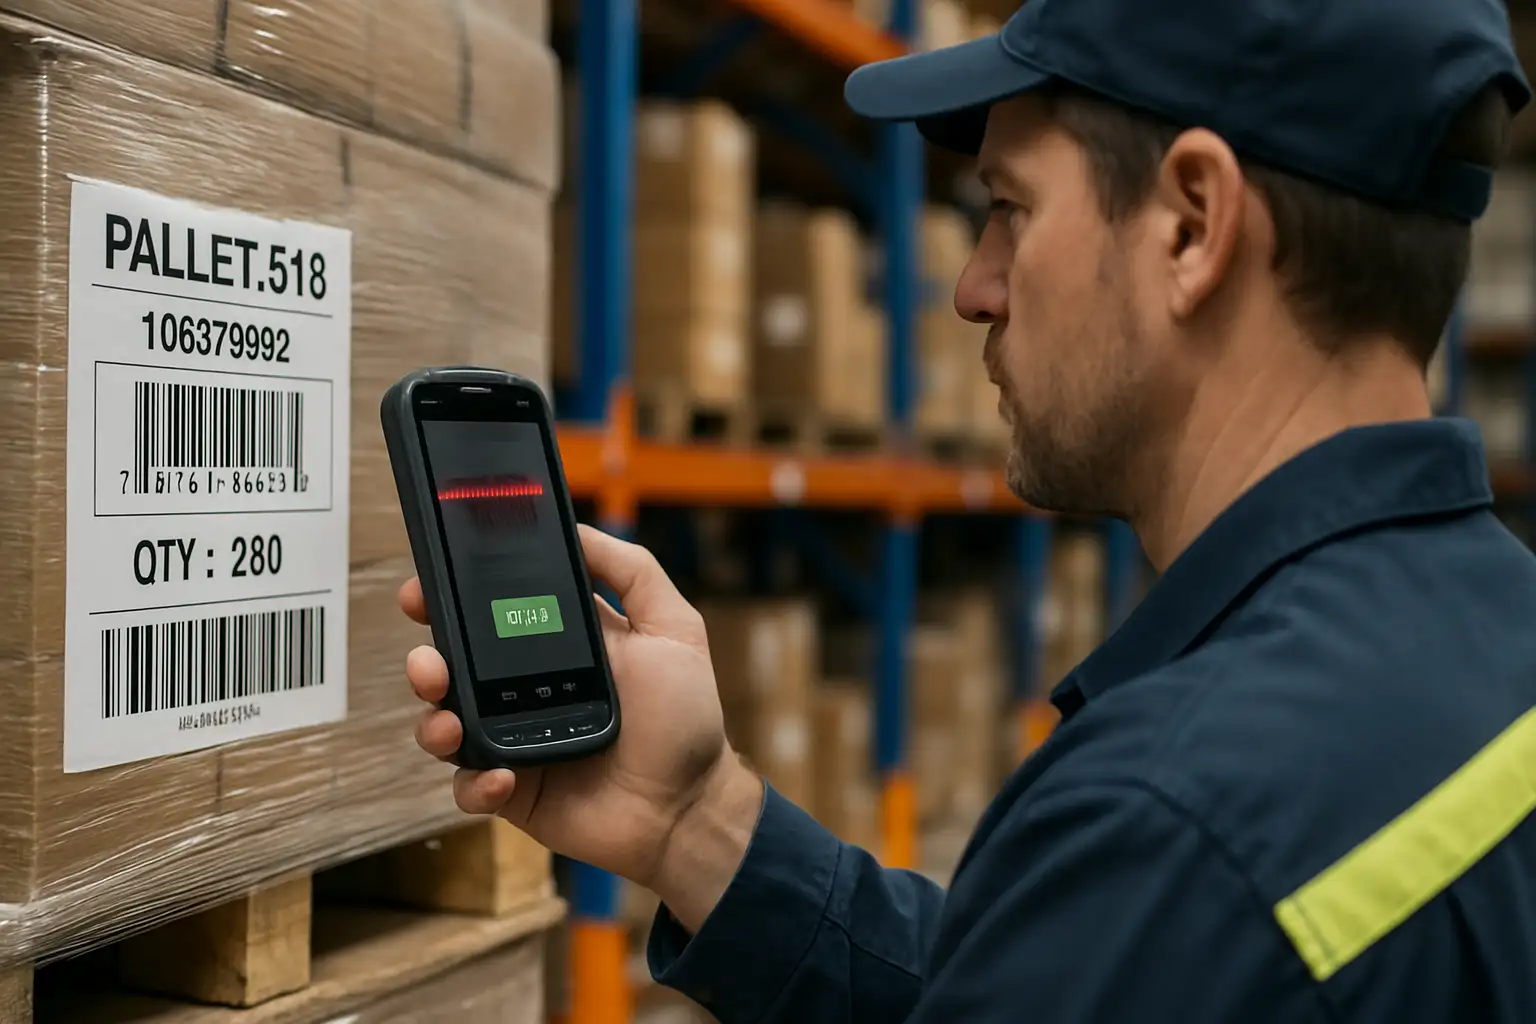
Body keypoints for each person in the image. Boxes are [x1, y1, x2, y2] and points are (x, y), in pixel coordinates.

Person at [399, 0, 1536, 1019]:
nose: (971, 286)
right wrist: (695, 820)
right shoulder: (1497, 637)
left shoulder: (1172, 827)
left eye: (1010, 210)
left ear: (1192, 225)